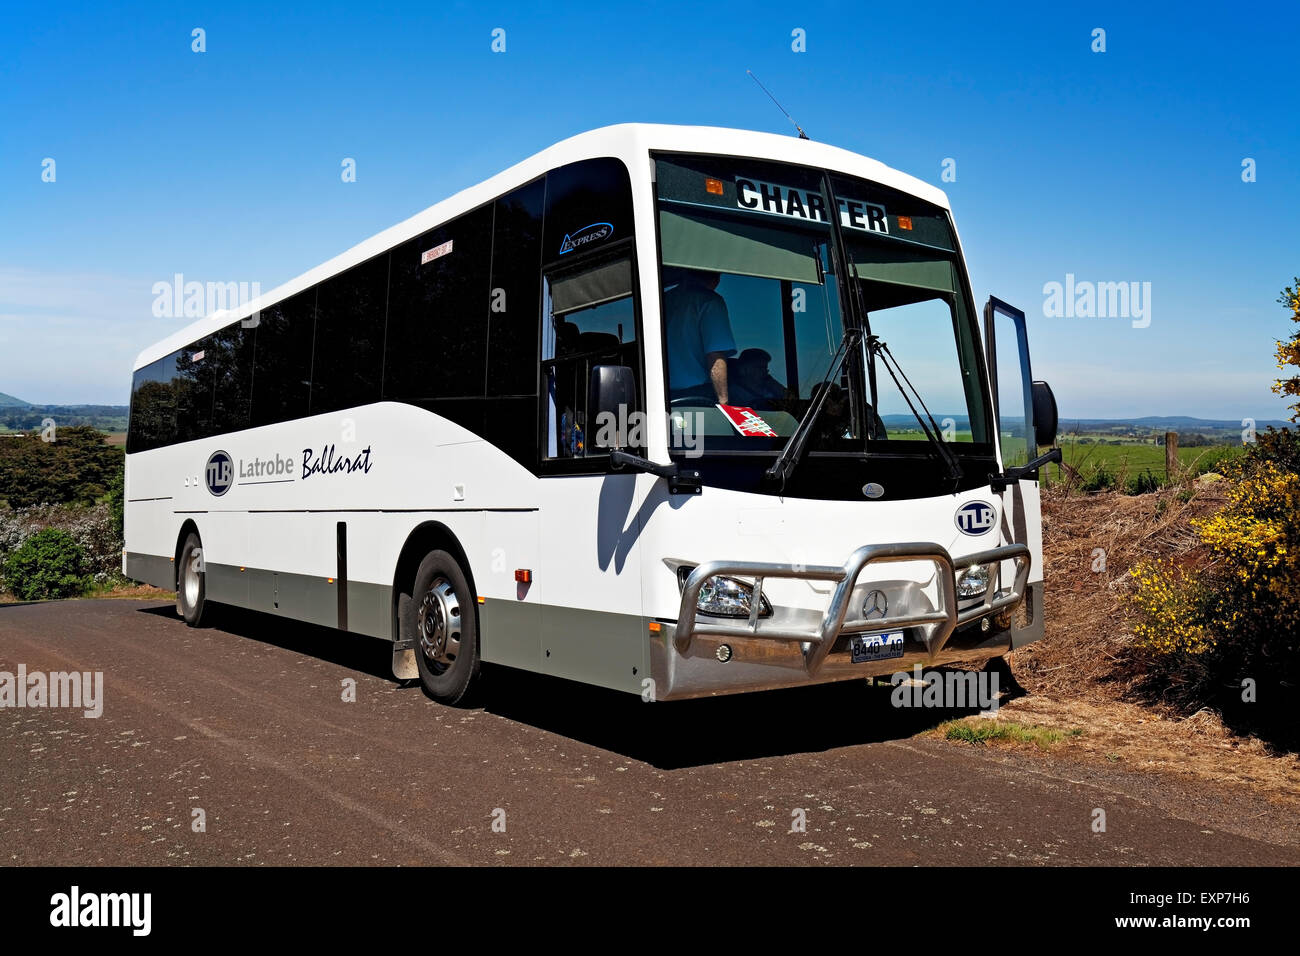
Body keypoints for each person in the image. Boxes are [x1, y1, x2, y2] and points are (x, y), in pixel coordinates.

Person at [664, 269, 736, 404]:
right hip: (696, 395)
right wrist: (724, 402)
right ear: (715, 277)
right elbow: (715, 354)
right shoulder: (709, 300)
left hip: (660, 394)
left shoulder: (663, 300)